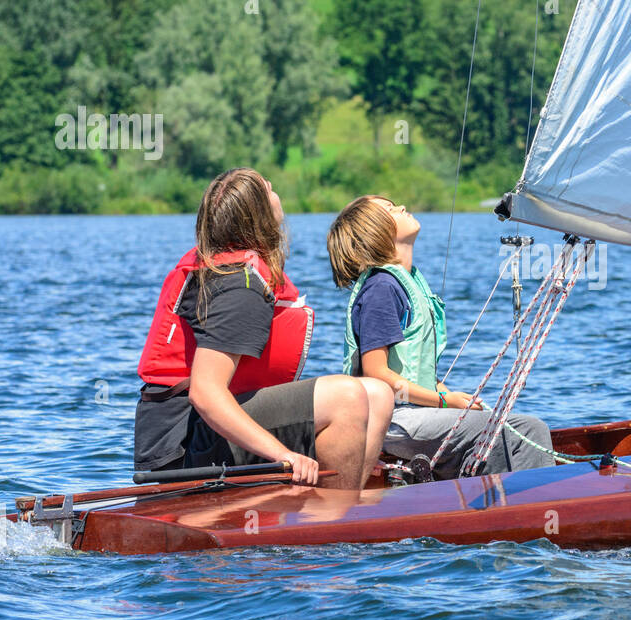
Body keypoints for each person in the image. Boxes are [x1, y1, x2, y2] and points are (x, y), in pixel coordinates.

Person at [134, 168, 394, 489]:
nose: (276, 191)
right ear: (259, 215)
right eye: (268, 189)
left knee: (378, 394)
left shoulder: (238, 273)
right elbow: (205, 393)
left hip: (197, 435)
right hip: (180, 449)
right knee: (346, 396)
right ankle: (332, 525)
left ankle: (351, 506)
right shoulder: (241, 287)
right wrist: (284, 456)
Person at [327, 195, 554, 481]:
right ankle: (531, 508)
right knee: (523, 430)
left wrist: (448, 395)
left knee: (519, 425)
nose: (401, 207)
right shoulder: (381, 289)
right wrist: (444, 402)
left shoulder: (405, 282)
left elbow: (414, 371)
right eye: (390, 209)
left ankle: (499, 501)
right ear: (375, 231)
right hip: (394, 421)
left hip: (415, 414)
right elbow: (377, 375)